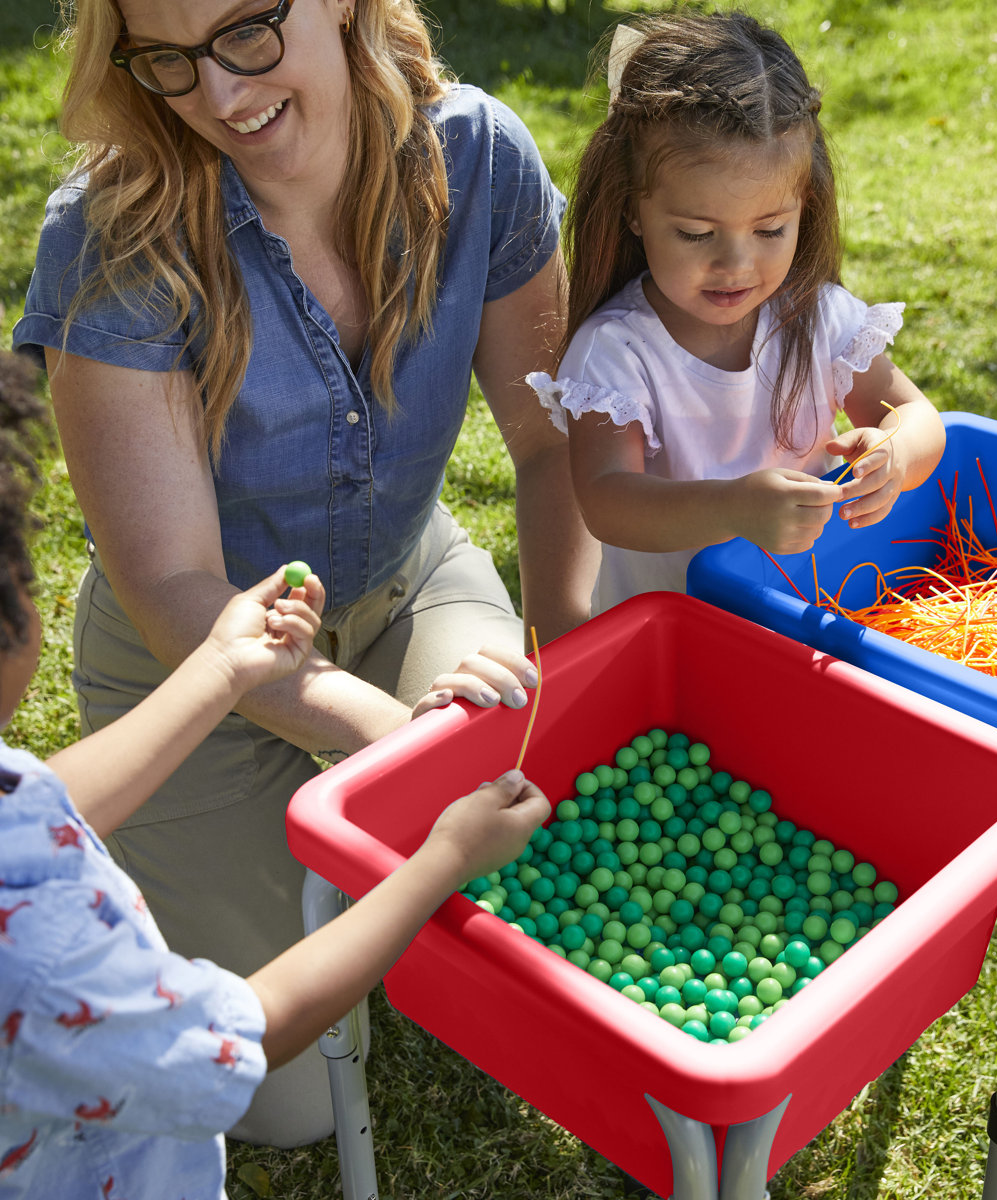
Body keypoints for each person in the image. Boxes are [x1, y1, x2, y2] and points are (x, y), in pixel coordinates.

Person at [11, 0, 595, 1146]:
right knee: (285, 1108)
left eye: (247, 33)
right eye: (169, 62)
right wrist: (397, 737)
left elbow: (549, 443)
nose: (222, 96)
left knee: (524, 852)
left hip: (404, 588)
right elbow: (178, 587)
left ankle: (379, 877)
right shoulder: (111, 232)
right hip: (194, 669)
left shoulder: (479, 156)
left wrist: (566, 652)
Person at [0, 349, 552, 1198]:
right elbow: (247, 1034)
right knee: (287, 1102)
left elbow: (40, 804)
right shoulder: (41, 954)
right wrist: (439, 860)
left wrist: (220, 667)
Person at [527, 12, 946, 613]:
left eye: (770, 228)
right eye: (696, 233)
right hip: (673, 636)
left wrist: (894, 455)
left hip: (802, 614)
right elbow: (607, 501)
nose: (736, 264)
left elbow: (916, 414)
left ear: (805, 205)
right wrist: (733, 507)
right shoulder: (618, 351)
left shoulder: (817, 317)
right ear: (633, 212)